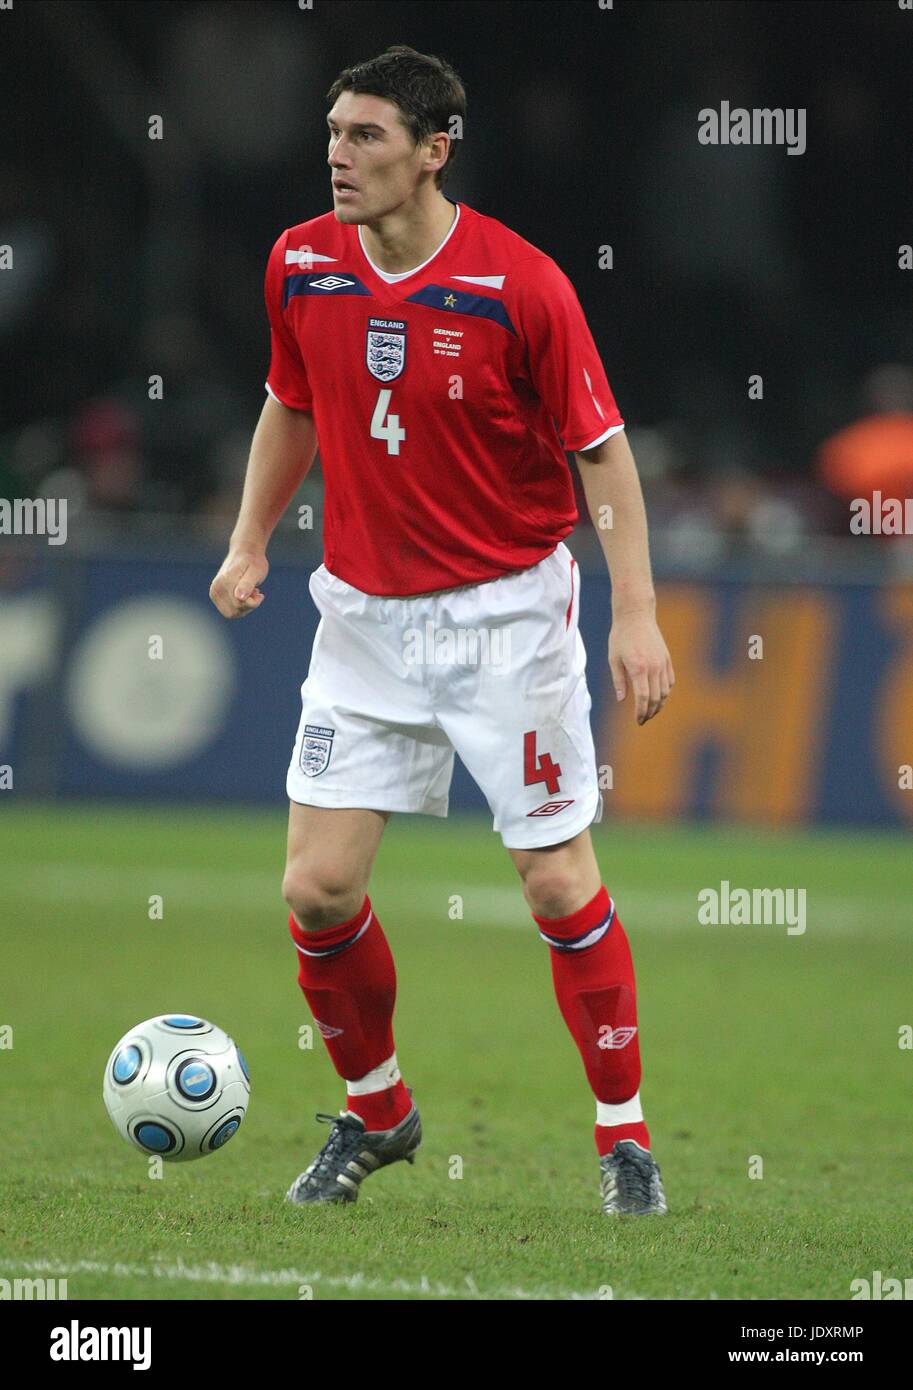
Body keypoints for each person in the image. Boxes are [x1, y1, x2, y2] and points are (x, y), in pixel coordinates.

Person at [210, 45, 674, 1216]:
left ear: (433, 150)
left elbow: (602, 454)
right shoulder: (300, 263)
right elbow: (290, 400)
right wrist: (250, 539)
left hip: (503, 617)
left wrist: (639, 614)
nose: (338, 155)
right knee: (315, 890)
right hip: (361, 618)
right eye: (332, 133)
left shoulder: (520, 285)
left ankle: (624, 1138)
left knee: (557, 885)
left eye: (367, 136)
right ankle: (378, 1115)